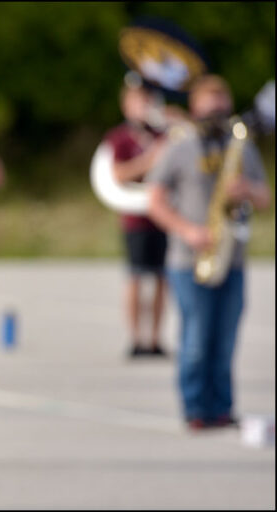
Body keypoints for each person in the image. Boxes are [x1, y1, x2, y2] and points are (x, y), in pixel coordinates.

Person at [146, 74, 271, 430]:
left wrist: (247, 189)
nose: (218, 115)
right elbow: (154, 200)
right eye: (210, 107)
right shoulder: (179, 147)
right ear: (195, 108)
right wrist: (187, 230)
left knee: (226, 338)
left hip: (232, 256)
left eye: (223, 107)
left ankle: (222, 408)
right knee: (197, 338)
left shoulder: (241, 147)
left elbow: (265, 197)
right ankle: (195, 408)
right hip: (189, 260)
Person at [102, 80, 172, 358]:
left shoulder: (164, 134)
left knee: (160, 278)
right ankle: (135, 339)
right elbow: (117, 174)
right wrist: (150, 160)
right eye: (136, 101)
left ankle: (155, 339)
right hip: (136, 218)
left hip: (164, 216)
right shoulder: (120, 137)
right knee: (134, 276)